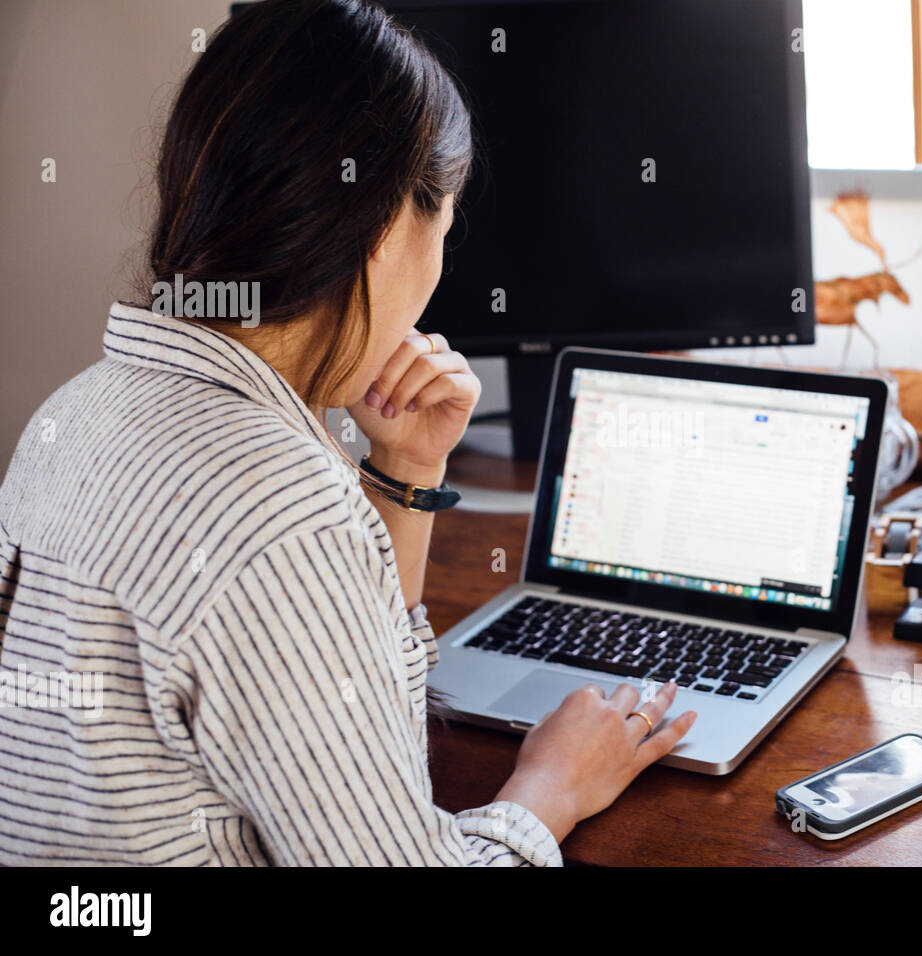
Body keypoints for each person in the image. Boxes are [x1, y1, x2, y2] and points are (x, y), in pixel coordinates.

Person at [0, 0, 695, 866]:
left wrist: (405, 467)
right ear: (383, 228)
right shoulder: (279, 506)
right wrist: (548, 787)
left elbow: (361, 740)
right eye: (444, 229)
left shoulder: (78, 414)